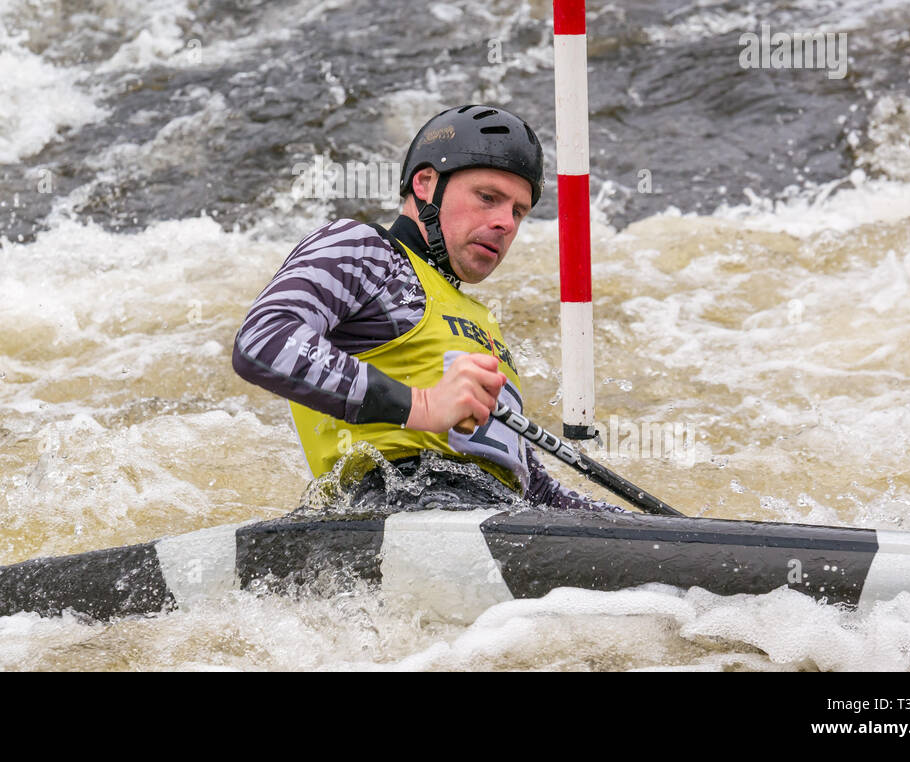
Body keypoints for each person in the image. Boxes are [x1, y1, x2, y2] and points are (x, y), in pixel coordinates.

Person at [232, 104, 624, 513]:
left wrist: (636, 532)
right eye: (488, 198)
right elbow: (265, 338)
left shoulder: (482, 322)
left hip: (492, 513)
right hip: (384, 508)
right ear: (424, 183)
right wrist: (420, 405)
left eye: (518, 211)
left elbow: (531, 488)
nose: (506, 223)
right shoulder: (368, 251)